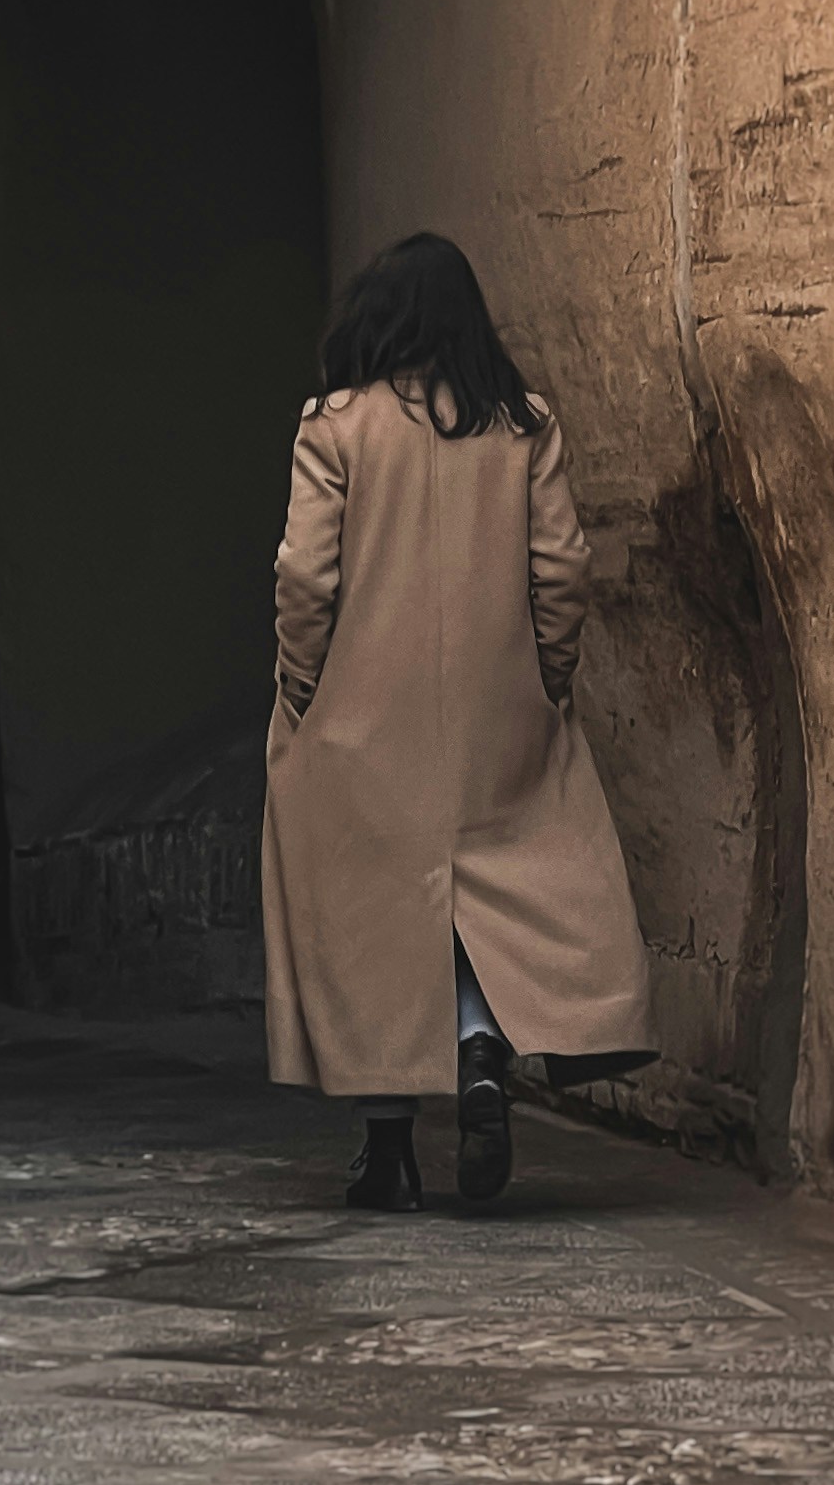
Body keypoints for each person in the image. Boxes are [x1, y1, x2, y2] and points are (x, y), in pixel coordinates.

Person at [261, 233, 652, 1208]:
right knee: (482, 882)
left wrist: (298, 687)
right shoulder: (522, 424)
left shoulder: (335, 424)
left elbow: (306, 574)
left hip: (360, 713)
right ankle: (480, 1047)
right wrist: (545, 679)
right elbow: (561, 567)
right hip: (494, 708)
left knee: (374, 912)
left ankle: (386, 1146)